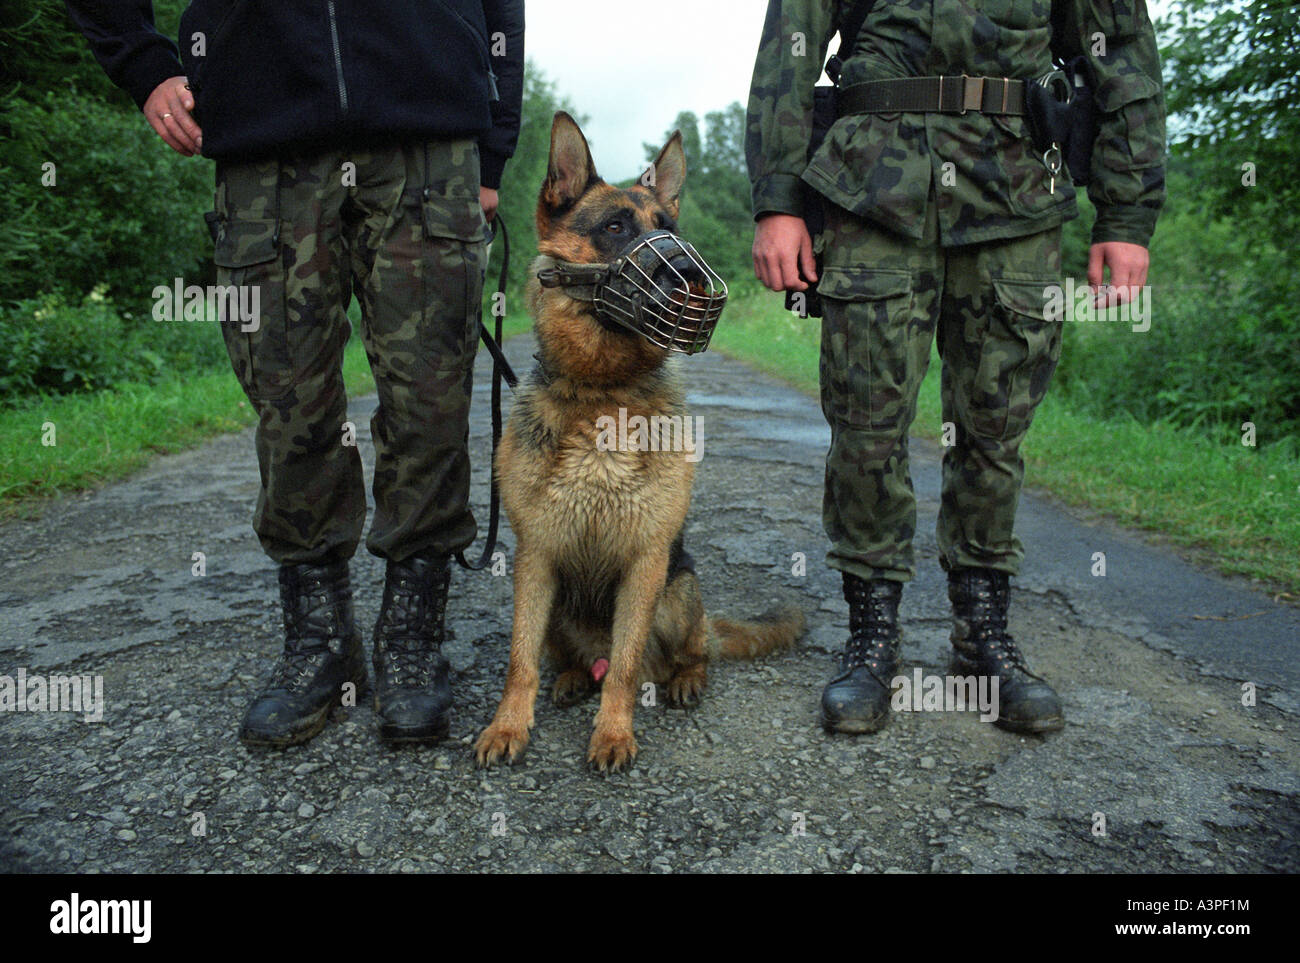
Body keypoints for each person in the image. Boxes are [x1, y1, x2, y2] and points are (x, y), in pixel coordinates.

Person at [67, 0, 526, 748]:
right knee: (289, 405)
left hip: (429, 131)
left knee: (430, 400)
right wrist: (144, 65)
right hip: (262, 136)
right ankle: (320, 637)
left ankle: (412, 635)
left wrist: (494, 147)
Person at [746, 0, 1164, 734]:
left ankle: (982, 638)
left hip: (1016, 189)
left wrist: (1125, 214)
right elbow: (794, 41)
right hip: (874, 184)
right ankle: (872, 637)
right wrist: (779, 199)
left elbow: (1120, 51)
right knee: (865, 420)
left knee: (993, 429)